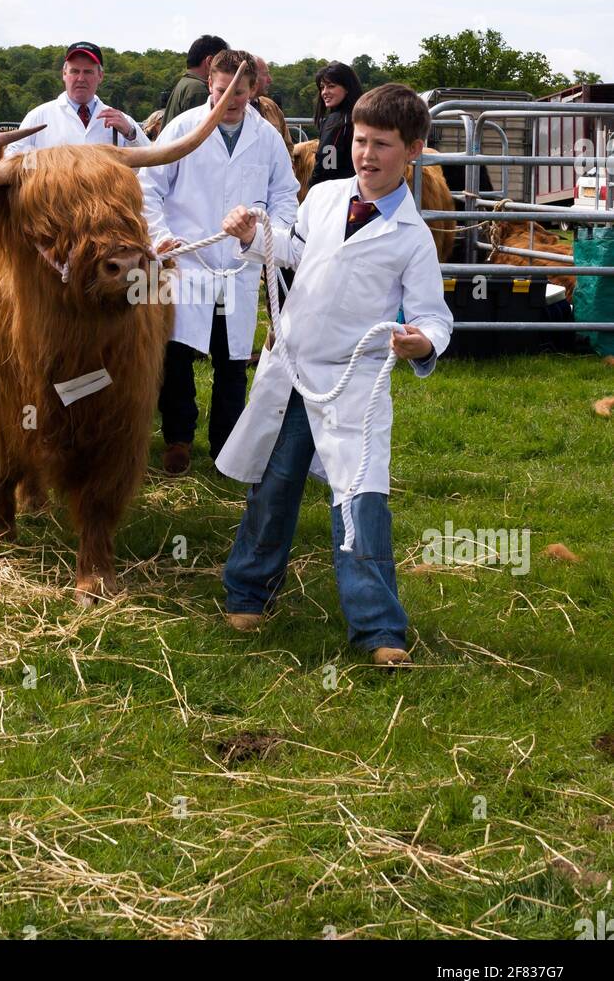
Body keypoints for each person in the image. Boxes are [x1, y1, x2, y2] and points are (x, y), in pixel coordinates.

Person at [217, 83, 453, 666]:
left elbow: (433, 315)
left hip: (353, 386)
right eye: (361, 141)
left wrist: (421, 340)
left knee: (360, 502)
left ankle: (378, 630)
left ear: (414, 150)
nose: (367, 155)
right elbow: (296, 252)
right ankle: (248, 590)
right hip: (292, 372)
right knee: (272, 489)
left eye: (382, 145)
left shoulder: (414, 238)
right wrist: (255, 237)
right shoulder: (322, 198)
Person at [140, 49, 298, 476]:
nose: (231, 101)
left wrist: (271, 233)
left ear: (254, 89)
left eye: (241, 93)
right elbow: (148, 187)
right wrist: (159, 237)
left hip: (239, 264)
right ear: (209, 84)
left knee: (232, 362)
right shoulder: (182, 128)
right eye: (222, 90)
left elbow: (286, 193)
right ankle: (178, 439)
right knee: (176, 356)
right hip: (186, 260)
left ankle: (227, 446)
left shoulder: (265, 137)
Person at [4, 42, 149, 157]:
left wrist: (130, 134)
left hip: (103, 195)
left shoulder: (122, 122)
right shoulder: (38, 117)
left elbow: (152, 168)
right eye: (74, 71)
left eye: (88, 72)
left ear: (100, 76)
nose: (80, 78)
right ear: (64, 74)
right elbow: (12, 161)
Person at [308, 60, 363, 188]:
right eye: (322, 87)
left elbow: (327, 166)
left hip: (336, 193)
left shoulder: (337, 121)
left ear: (347, 88)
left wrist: (312, 190)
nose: (324, 92)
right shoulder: (361, 117)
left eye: (331, 86)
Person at [162, 35, 229, 127]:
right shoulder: (197, 89)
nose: (226, 70)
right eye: (223, 63)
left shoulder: (185, 84)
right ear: (209, 62)